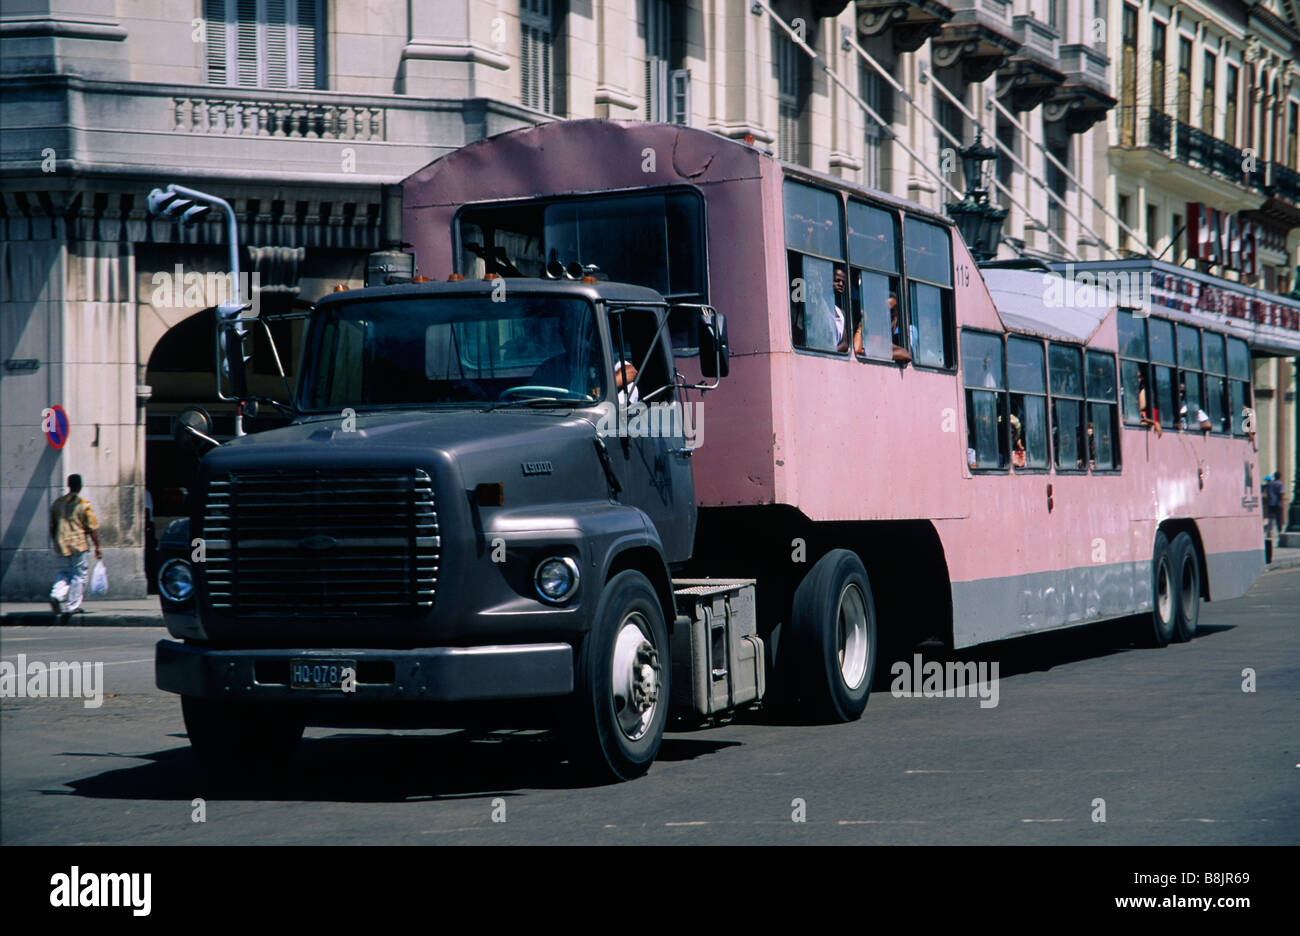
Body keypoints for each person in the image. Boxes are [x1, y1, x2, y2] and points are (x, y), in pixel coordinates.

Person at [49, 474, 101, 618]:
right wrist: (98, 547)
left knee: (65, 572)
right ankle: (73, 606)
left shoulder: (57, 503)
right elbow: (92, 527)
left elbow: (52, 526)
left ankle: (57, 595)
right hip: (78, 544)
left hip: (61, 543)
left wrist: (56, 541)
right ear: (80, 486)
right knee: (79, 575)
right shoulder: (83, 504)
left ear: (69, 485)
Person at [1265, 471, 1285, 538]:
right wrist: (1281, 503)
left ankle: (1269, 531)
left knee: (1271, 517)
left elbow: (1267, 493)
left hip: (1271, 503)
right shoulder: (1280, 484)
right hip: (1277, 503)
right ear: (1279, 476)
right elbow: (1281, 494)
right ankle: (1280, 532)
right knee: (1279, 518)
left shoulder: (1270, 484)